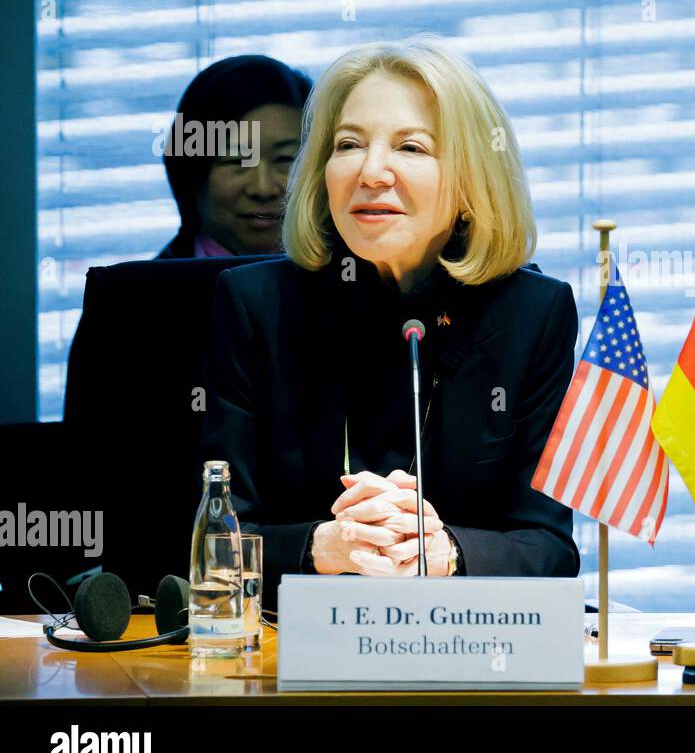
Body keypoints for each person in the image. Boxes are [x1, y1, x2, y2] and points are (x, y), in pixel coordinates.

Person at [198, 35, 580, 605]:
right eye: (348, 144)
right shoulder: (255, 304)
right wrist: (325, 547)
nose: (372, 171)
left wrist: (443, 551)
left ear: (472, 181)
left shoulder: (532, 315)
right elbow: (216, 544)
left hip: (467, 659)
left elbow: (548, 545)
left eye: (412, 148)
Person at [158, 55, 312, 258]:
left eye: (286, 159)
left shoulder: (353, 278)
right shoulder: (138, 288)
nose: (263, 189)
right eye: (236, 160)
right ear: (190, 171)